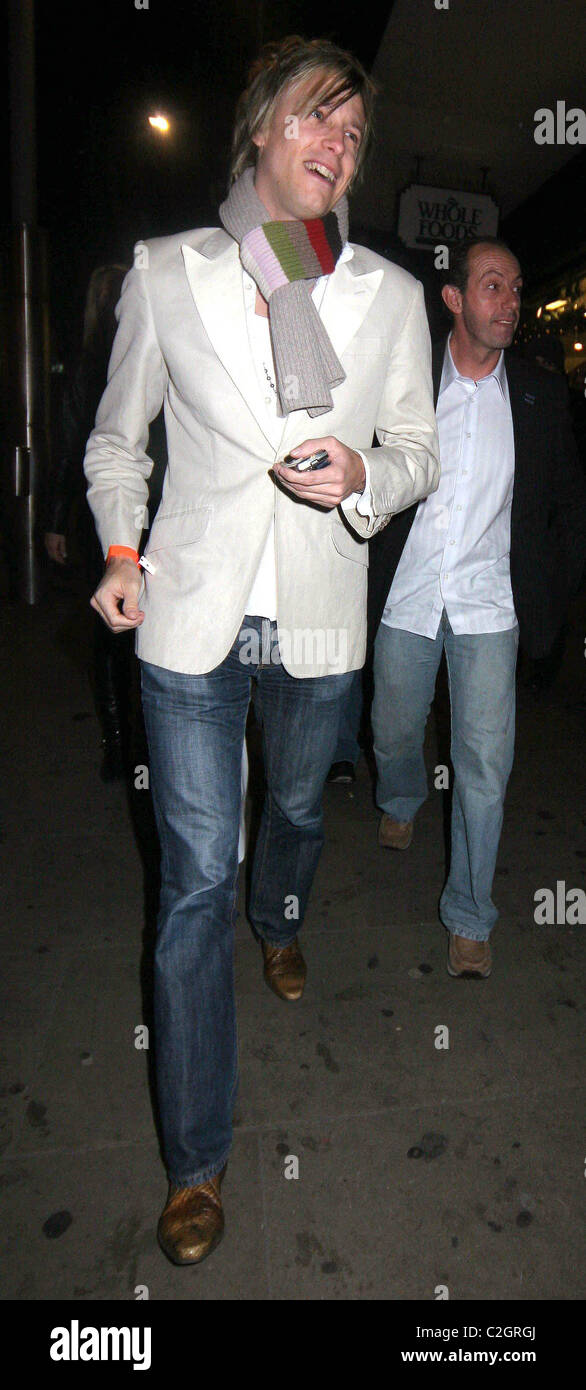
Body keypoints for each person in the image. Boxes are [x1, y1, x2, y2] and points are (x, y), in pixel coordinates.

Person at [84, 34, 439, 1267]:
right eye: (316, 118)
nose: (337, 144)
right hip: (185, 615)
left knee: (290, 806)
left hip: (319, 613)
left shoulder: (389, 300)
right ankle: (196, 1158)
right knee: (189, 882)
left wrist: (363, 478)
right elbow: (118, 437)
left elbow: (416, 449)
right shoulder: (166, 272)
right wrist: (122, 553)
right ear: (260, 130)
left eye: (353, 132)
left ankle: (279, 911)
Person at [368, 237, 586, 980]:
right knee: (392, 726)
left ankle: (469, 915)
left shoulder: (538, 393)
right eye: (493, 286)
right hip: (409, 594)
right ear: (454, 299)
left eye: (517, 288)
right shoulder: (406, 380)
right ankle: (399, 793)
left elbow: (565, 507)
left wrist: (551, 598)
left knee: (484, 765)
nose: (511, 302)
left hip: (491, 605)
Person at [44, 266, 134, 780]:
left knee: (107, 635)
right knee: (138, 630)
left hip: (92, 512)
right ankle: (136, 744)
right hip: (137, 512)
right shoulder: (141, 354)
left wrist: (57, 520)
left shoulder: (87, 362)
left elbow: (70, 446)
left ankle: (119, 745)